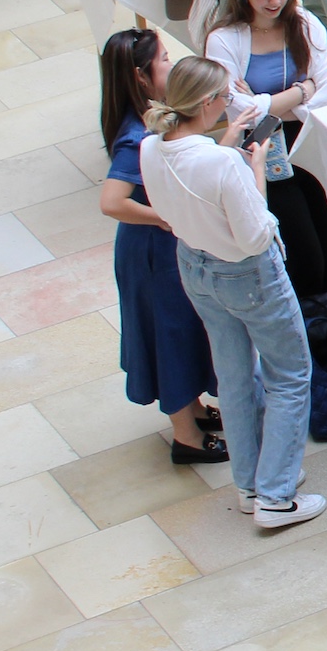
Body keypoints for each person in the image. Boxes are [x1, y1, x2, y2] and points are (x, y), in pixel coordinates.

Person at [138, 56, 322, 530]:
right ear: (205, 103)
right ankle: (277, 497)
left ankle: (249, 486)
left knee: (235, 377)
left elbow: (186, 191)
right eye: (224, 96)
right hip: (248, 275)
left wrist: (228, 148)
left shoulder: (152, 148)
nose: (229, 103)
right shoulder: (222, 163)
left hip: (196, 268)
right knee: (290, 375)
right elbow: (255, 236)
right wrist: (253, 168)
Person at [97, 31, 222, 468]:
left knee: (182, 329)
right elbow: (112, 201)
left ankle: (193, 408)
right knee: (169, 335)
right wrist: (163, 216)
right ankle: (185, 437)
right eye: (164, 59)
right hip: (152, 253)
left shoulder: (144, 119)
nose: (171, 65)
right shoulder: (136, 135)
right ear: (141, 74)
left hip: (156, 249)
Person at [203, 0, 327, 309]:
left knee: (325, 243)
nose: (274, 0)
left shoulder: (305, 23)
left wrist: (267, 101)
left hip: (310, 141)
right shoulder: (224, 40)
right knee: (300, 251)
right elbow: (241, 112)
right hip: (263, 149)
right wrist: (301, 91)